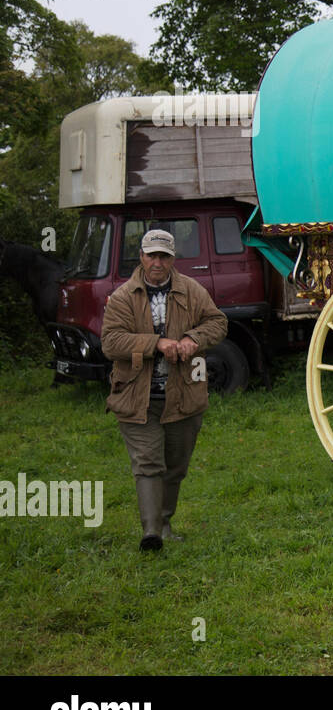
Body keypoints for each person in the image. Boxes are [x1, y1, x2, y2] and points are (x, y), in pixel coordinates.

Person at [101, 229, 227, 551]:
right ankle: (151, 533)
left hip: (184, 396)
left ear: (172, 259)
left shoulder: (193, 291)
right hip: (135, 398)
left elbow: (218, 322)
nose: (157, 262)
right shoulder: (122, 297)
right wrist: (155, 343)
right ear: (141, 256)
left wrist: (192, 339)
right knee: (147, 464)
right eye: (151, 255)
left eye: (164, 256)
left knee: (175, 466)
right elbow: (111, 342)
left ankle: (165, 523)